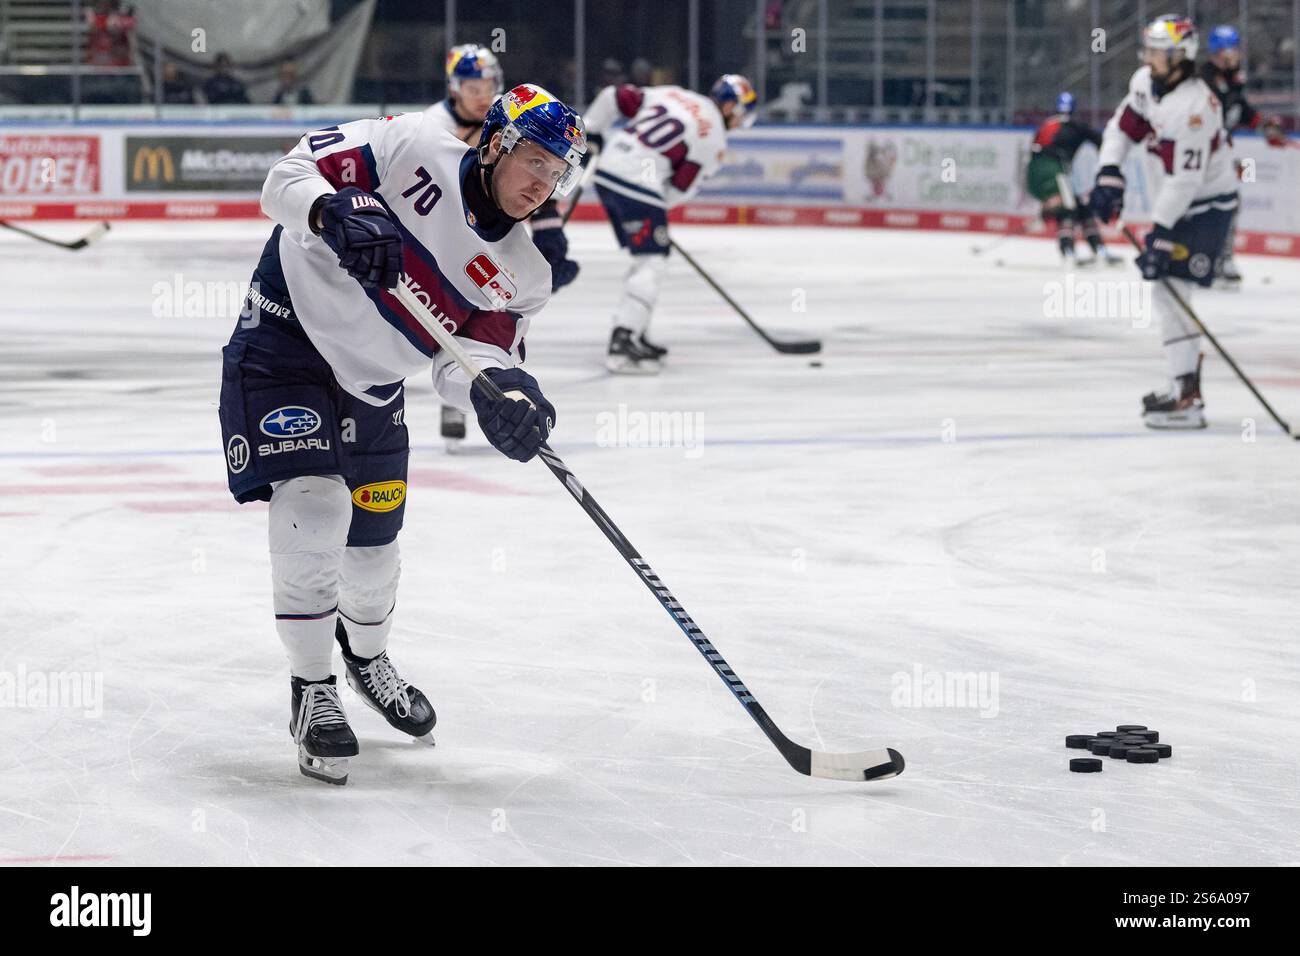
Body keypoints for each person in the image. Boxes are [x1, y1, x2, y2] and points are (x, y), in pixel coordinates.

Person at [218, 84, 587, 784]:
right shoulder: (407, 144)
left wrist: (505, 394)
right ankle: (312, 688)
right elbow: (283, 180)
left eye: (557, 171)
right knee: (317, 504)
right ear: (494, 143)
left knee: (373, 551)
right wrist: (332, 208)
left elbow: (469, 361)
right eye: (534, 160)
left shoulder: (524, 273)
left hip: (374, 383)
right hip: (283, 340)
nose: (543, 184)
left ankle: (367, 658)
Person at [425, 44, 578, 446]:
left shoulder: (512, 120)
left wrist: (549, 232)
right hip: (435, 227)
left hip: (489, 225)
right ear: (454, 88)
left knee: (481, 304)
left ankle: (463, 390)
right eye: (472, 85)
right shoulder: (433, 126)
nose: (481, 93)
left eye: (488, 84)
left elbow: (536, 179)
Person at [1090, 15, 1236, 430]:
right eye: (1149, 49)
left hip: (1205, 209)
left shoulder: (1196, 108)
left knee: (1171, 292)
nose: (1148, 56)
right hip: (1180, 206)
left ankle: (1187, 396)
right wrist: (1109, 173)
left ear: (1179, 56)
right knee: (1168, 293)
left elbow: (1187, 180)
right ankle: (1183, 388)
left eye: (1157, 50)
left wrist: (1160, 232)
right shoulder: (1144, 84)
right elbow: (1121, 128)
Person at [584, 73, 757, 373]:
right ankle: (623, 341)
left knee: (644, 258)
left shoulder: (676, 94)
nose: (740, 121)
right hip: (638, 184)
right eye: (741, 113)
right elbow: (679, 189)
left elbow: (614, 95)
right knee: (651, 260)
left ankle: (636, 331)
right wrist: (656, 213)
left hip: (606, 172)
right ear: (730, 107)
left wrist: (593, 132)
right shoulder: (714, 137)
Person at [1199, 24, 1288, 286]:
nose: (1234, 56)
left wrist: (1266, 126)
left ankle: (1220, 259)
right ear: (1216, 53)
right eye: (1228, 51)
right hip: (1199, 152)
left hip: (1222, 151)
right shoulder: (1204, 80)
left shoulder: (1232, 78)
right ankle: (1201, 259)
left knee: (1230, 201)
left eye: (1236, 50)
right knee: (1204, 205)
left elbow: (1243, 110)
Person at [1026, 92, 1117, 266]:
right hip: (1053, 171)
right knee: (1069, 209)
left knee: (1078, 206)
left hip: (1037, 173)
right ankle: (1072, 251)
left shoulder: (1047, 125)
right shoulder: (1078, 126)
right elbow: (1101, 142)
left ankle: (1095, 250)